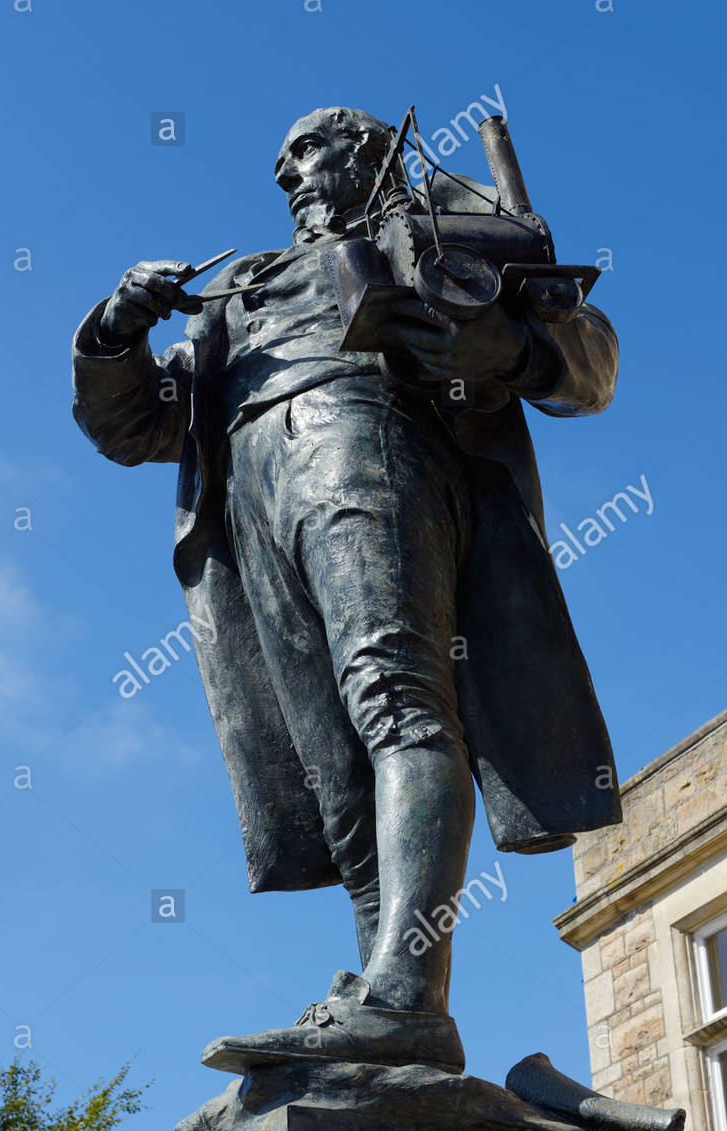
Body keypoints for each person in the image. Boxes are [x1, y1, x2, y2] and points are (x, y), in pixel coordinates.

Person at [72, 106, 621, 1075]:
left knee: (398, 700)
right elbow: (134, 429)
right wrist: (117, 330)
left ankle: (409, 992)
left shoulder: (439, 239)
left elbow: (584, 360)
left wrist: (512, 350)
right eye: (279, 156)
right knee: (336, 765)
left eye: (309, 146)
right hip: (249, 496)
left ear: (370, 151)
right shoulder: (236, 293)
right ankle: (388, 998)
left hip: (366, 436)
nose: (287, 169)